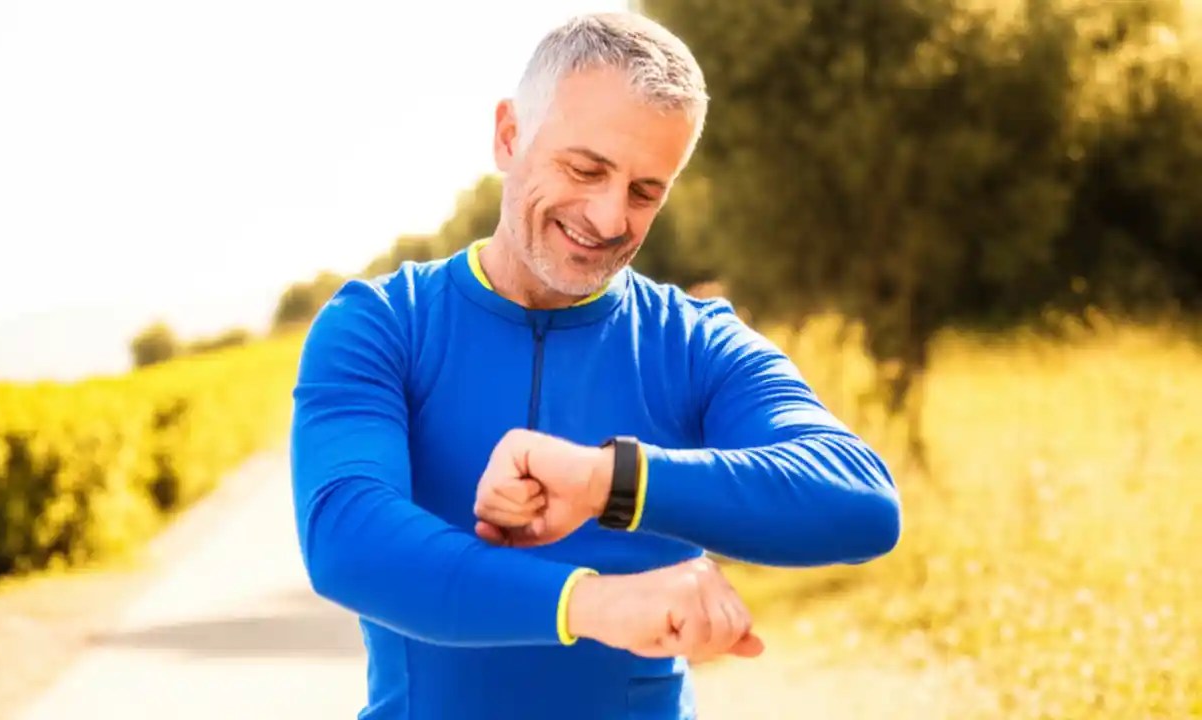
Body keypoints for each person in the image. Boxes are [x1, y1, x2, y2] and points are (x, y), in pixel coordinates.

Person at [289, 10, 901, 720]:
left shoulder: (695, 343)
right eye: (586, 170)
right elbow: (347, 537)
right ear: (509, 135)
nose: (611, 219)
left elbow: (861, 499)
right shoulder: (383, 325)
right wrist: (593, 604)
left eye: (646, 192)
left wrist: (609, 480)